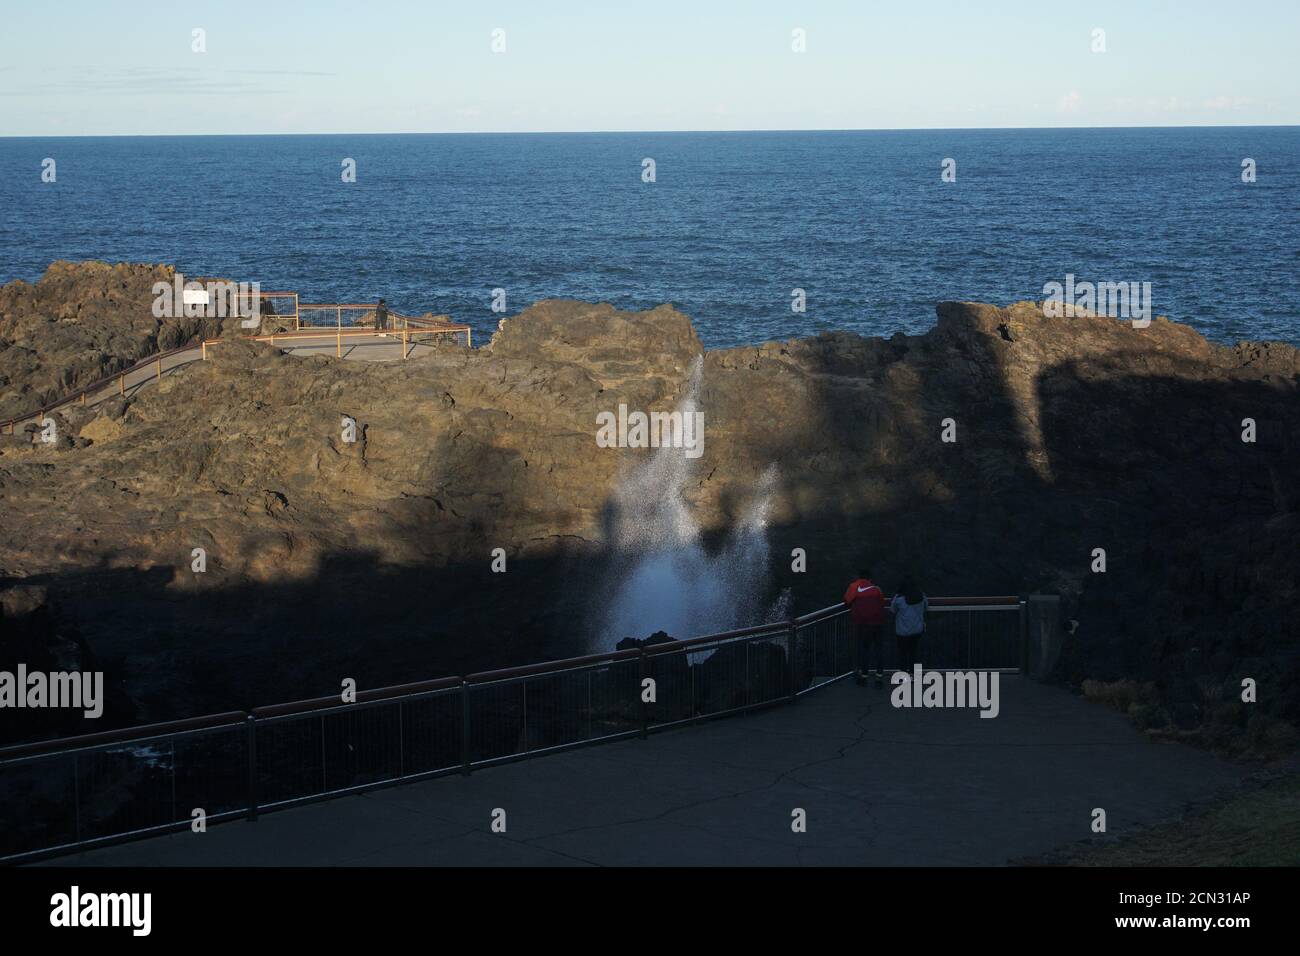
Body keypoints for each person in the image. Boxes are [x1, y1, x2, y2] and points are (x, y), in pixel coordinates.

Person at [843, 568, 886, 686]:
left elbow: (847, 601)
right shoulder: (877, 589)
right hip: (877, 622)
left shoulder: (854, 586)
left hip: (862, 623)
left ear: (859, 577)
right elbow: (882, 602)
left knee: (864, 650)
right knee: (879, 650)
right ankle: (879, 678)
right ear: (870, 578)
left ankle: (864, 677)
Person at [890, 577, 928, 675]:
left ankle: (903, 676)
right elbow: (926, 607)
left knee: (903, 654)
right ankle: (914, 675)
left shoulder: (899, 599)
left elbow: (893, 610)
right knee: (914, 653)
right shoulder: (921, 596)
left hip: (902, 631)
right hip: (917, 629)